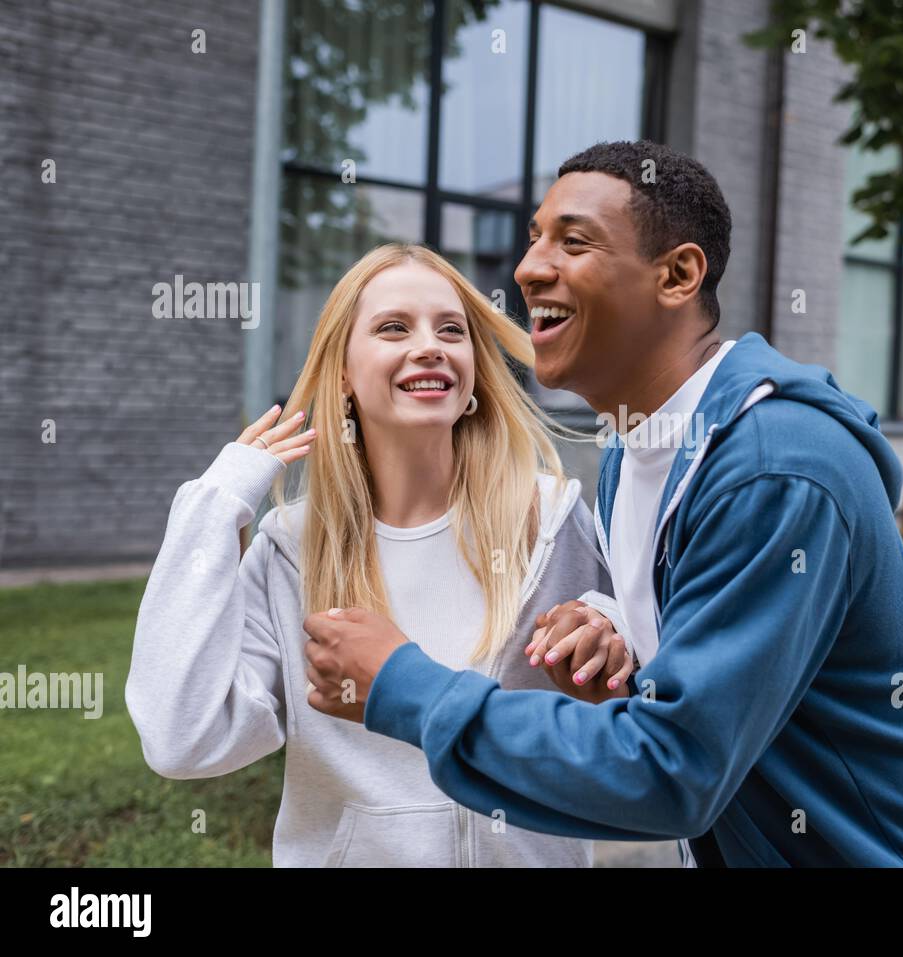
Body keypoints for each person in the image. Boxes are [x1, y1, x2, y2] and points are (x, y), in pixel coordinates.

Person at [304, 141, 903, 867]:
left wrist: (404, 683)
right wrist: (617, 638)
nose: (528, 268)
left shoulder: (773, 469)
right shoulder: (637, 450)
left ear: (677, 275)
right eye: (533, 239)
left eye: (573, 241)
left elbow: (675, 769)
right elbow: (703, 687)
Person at [125, 243, 631, 867]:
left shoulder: (550, 521)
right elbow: (184, 741)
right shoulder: (290, 549)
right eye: (394, 327)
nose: (430, 345)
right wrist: (214, 505)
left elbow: (637, 700)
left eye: (452, 330)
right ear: (341, 371)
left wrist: (612, 632)